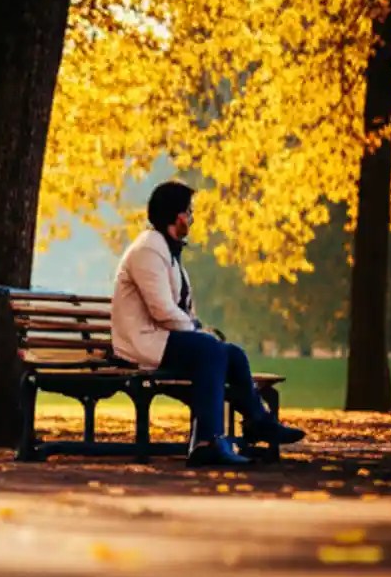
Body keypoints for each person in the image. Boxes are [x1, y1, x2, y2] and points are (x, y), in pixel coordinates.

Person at [111, 181, 305, 466]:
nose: (192, 217)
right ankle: (207, 442)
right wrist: (198, 332)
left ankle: (258, 421)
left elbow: (179, 309)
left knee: (232, 353)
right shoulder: (148, 249)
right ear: (177, 216)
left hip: (162, 339)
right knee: (211, 350)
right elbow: (162, 309)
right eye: (189, 211)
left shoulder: (168, 250)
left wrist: (199, 332)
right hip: (143, 341)